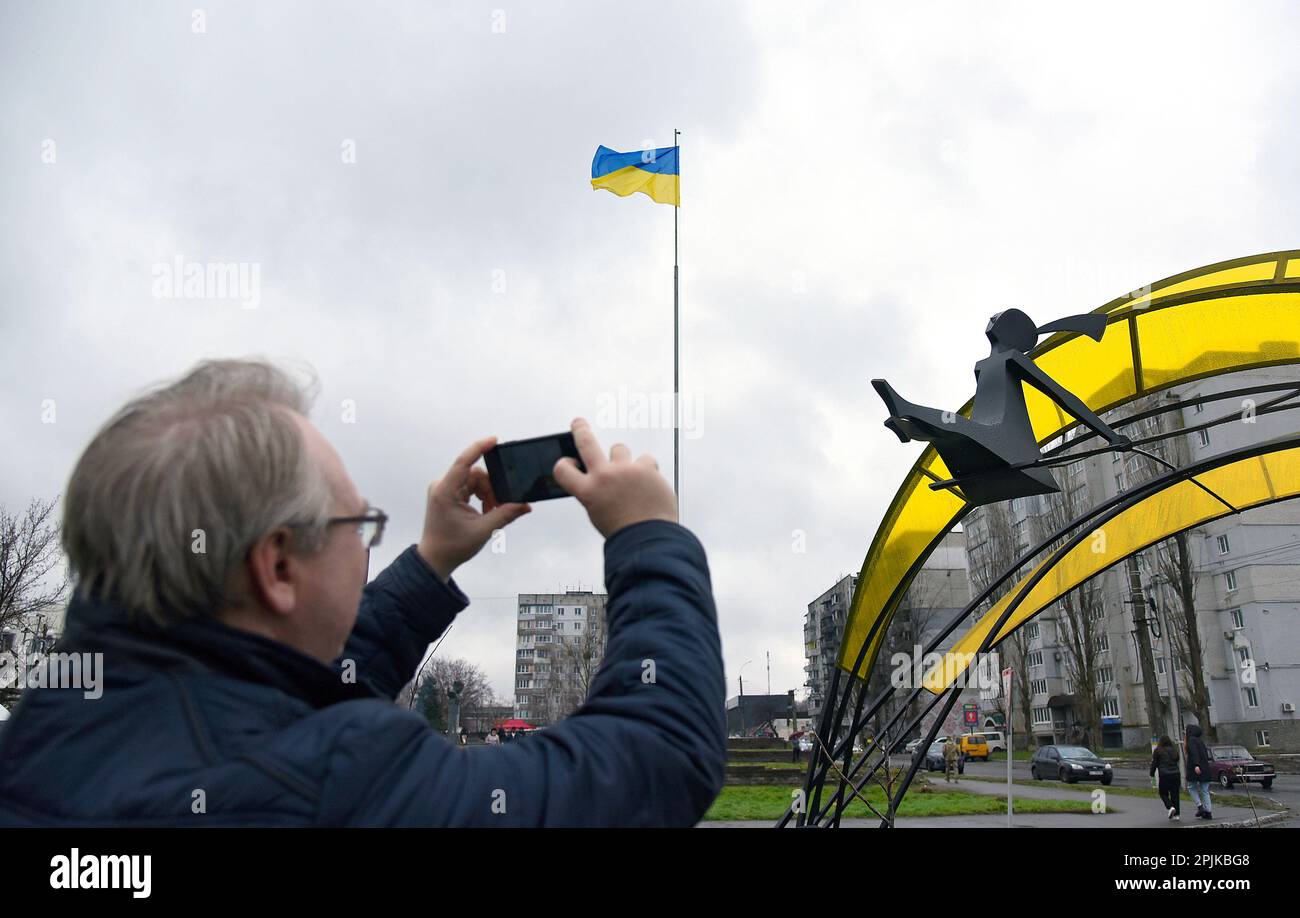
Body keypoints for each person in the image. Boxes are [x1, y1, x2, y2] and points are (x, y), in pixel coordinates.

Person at [0, 359, 726, 826]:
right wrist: (648, 537)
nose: (368, 542)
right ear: (277, 568)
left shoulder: (42, 738)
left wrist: (432, 561)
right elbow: (656, 757)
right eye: (360, 523)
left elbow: (270, 700)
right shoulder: (348, 783)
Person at [1185, 724, 1214, 820]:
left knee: (1191, 787)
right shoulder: (1200, 741)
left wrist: (1196, 765)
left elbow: (1194, 753)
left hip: (1195, 768)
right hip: (1205, 768)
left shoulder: (1191, 740)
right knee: (1205, 790)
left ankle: (1200, 806)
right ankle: (1208, 811)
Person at [1149, 735, 1181, 821]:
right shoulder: (1174, 750)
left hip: (1164, 775)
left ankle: (1170, 807)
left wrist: (1151, 773)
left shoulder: (1158, 751)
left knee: (1163, 793)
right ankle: (1177, 815)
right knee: (1175, 794)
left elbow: (1154, 764)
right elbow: (1177, 759)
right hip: (1176, 775)